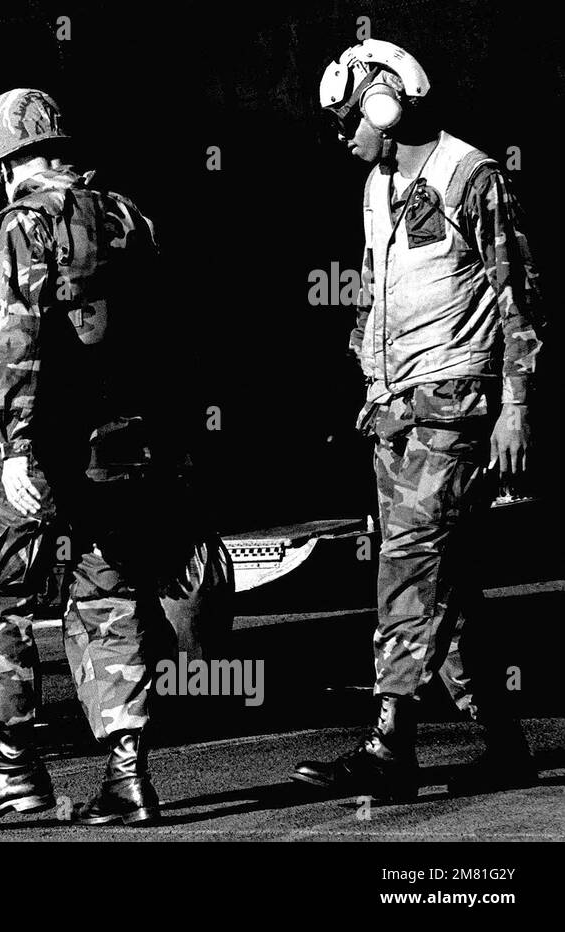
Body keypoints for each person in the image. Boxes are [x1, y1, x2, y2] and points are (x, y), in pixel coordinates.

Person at [293, 40, 544, 800]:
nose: (342, 137)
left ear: (384, 107)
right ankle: (502, 741)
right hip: (395, 411)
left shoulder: (472, 176)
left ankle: (388, 741)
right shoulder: (376, 188)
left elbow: (518, 300)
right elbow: (372, 294)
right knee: (450, 582)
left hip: (453, 409)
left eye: (348, 122)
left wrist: (517, 408)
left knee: (407, 562)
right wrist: (369, 386)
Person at [0, 89, 178, 825]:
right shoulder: (128, 215)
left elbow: (21, 339)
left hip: (51, 450)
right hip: (125, 446)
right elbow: (165, 334)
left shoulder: (23, 222)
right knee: (107, 600)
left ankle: (15, 767)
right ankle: (129, 777)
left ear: (5, 163)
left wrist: (15, 447)